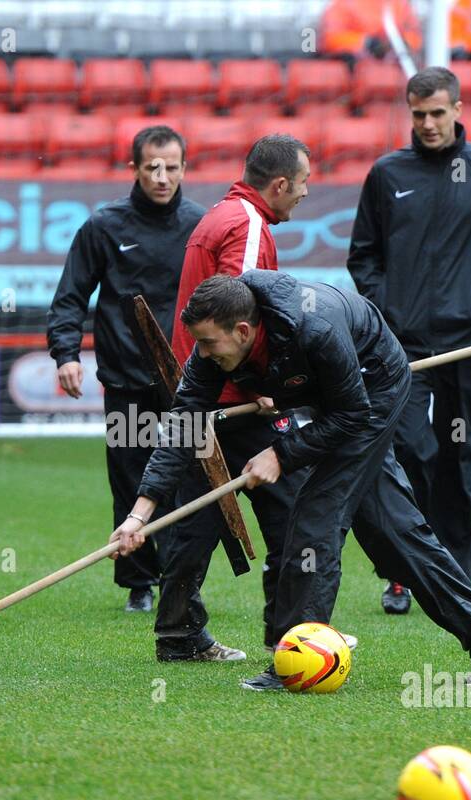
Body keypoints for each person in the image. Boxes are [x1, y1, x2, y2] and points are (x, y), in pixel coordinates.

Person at [111, 270, 471, 691]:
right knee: (390, 526)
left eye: (208, 343)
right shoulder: (215, 349)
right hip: (335, 396)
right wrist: (139, 515)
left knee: (315, 518)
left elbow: (352, 414)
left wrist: (281, 453)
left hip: (373, 391)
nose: (201, 353)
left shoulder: (315, 328)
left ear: (242, 330)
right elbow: (184, 425)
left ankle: (295, 661)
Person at [347, 66, 471, 615]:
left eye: (437, 112)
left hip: (469, 339)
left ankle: (456, 575)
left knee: (461, 454)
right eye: (418, 114)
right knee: (408, 448)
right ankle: (403, 572)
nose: (428, 123)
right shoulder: (388, 173)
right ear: (409, 113)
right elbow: (363, 254)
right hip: (401, 346)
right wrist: (386, 307)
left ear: (458, 109)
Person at [147, 135, 316, 662]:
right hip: (227, 398)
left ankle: (178, 633)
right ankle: (291, 634)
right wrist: (258, 386)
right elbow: (233, 313)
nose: (306, 195)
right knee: (293, 510)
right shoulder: (246, 225)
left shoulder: (223, 213)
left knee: (199, 518)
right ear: (281, 183)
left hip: (206, 397)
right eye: (304, 184)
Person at [47, 126, 204, 613]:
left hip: (186, 382)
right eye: (152, 166)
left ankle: (182, 581)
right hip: (124, 378)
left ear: (184, 167)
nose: (162, 176)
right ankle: (139, 582)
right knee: (131, 477)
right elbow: (72, 294)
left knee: (187, 479)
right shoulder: (104, 225)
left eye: (171, 167)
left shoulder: (201, 227)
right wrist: (66, 353)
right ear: (134, 168)